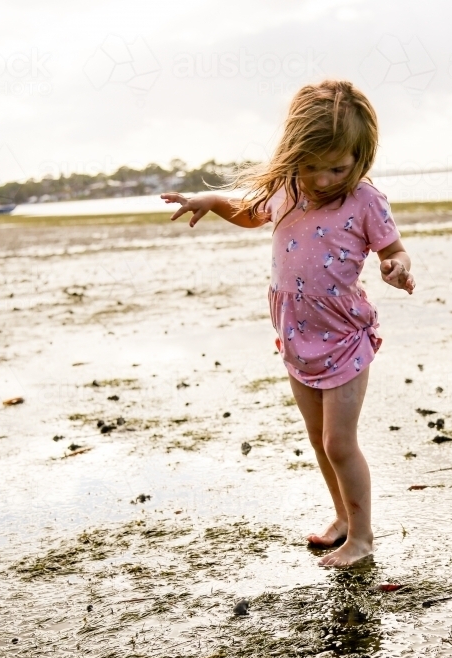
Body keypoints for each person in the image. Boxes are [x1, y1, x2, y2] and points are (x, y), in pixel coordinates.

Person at [161, 79, 414, 568]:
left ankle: (362, 538)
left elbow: (394, 249)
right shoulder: (288, 187)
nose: (322, 180)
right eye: (311, 166)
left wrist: (397, 266)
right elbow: (250, 214)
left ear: (361, 157)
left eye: (336, 168)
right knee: (319, 438)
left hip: (342, 335)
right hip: (295, 335)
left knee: (340, 441)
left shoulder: (365, 200)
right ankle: (342, 518)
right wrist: (212, 202)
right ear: (294, 155)